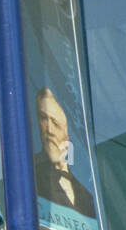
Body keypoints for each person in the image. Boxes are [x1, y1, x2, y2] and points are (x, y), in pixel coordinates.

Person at [34, 87, 95, 216]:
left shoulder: (89, 196)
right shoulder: (28, 173)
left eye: (55, 124)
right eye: (43, 118)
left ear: (68, 136)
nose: (49, 129)